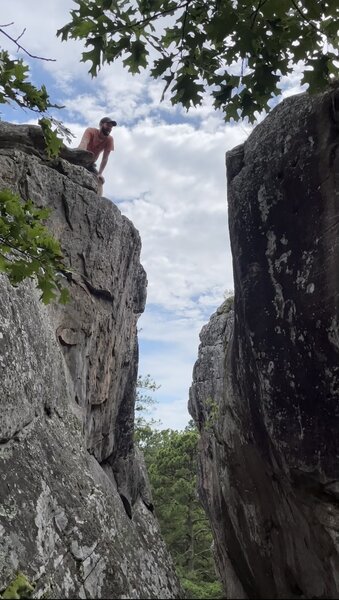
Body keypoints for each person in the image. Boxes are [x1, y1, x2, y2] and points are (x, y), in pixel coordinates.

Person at [78, 117, 117, 196]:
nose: (109, 128)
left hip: (90, 163)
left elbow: (105, 158)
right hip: (80, 157)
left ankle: (98, 201)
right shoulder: (91, 131)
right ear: (101, 125)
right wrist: (80, 158)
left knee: (99, 181)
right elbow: (84, 143)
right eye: (107, 125)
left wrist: (100, 173)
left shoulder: (109, 139)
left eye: (111, 127)